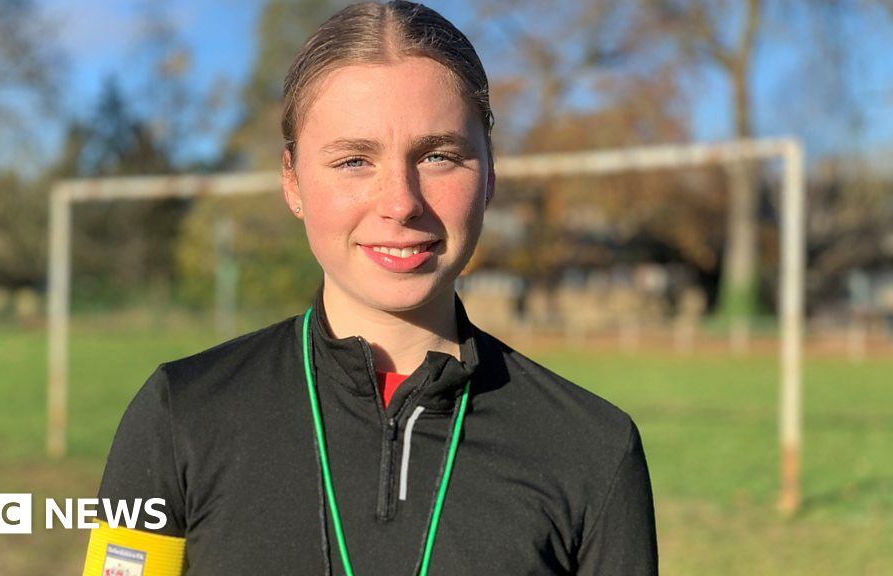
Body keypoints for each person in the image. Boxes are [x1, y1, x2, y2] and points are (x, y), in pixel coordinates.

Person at [82, 2, 658, 575]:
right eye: (355, 160)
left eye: (438, 156)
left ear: (490, 174)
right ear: (293, 180)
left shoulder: (592, 449)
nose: (400, 202)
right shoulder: (180, 415)